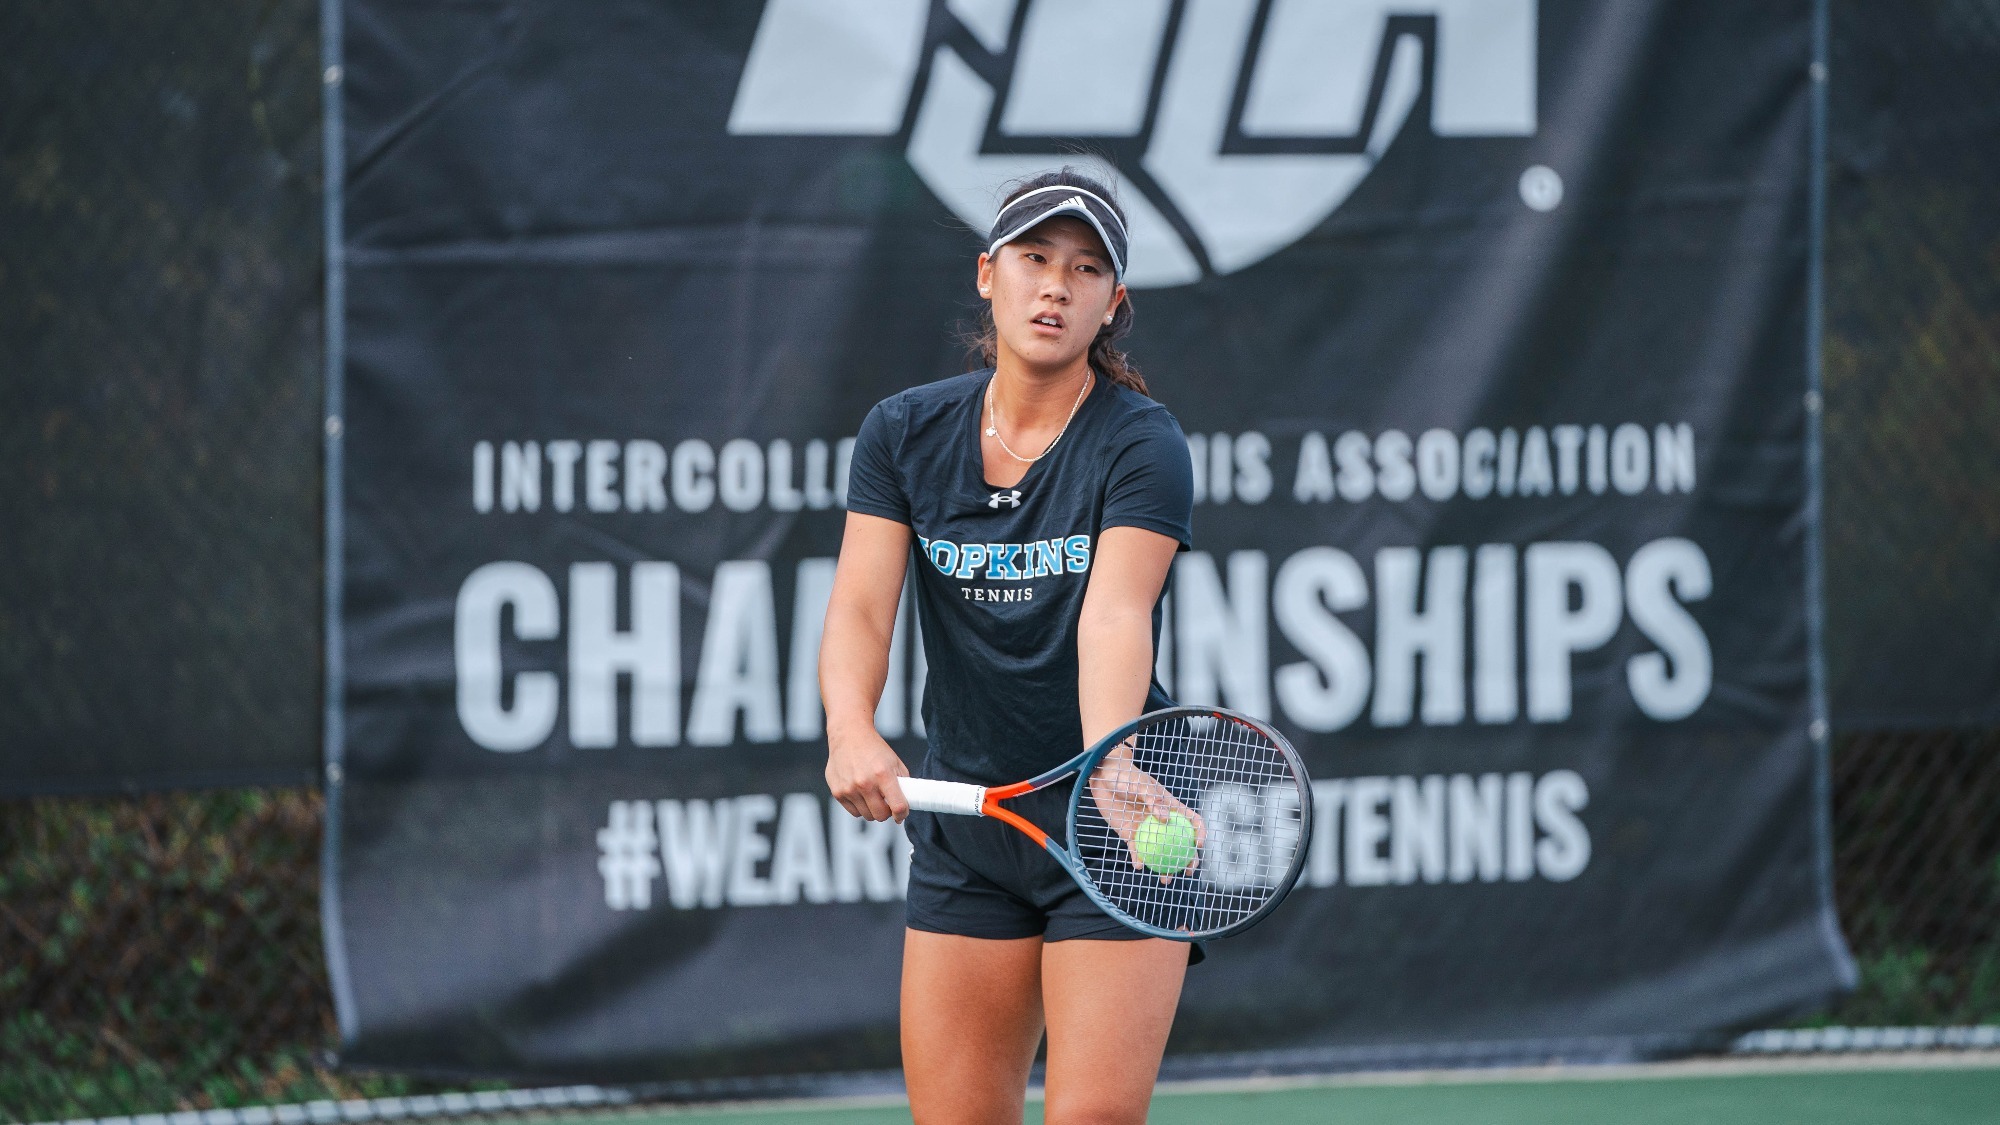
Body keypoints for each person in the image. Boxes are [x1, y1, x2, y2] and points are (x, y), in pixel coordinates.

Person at [819, 168, 1197, 1125]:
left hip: (1110, 830)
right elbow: (863, 606)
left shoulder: (1142, 443)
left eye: (1085, 269)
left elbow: (1114, 615)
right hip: (968, 831)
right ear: (989, 275)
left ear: (1114, 304)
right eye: (1035, 259)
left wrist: (1114, 767)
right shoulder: (903, 432)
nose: (1056, 286)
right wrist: (850, 729)